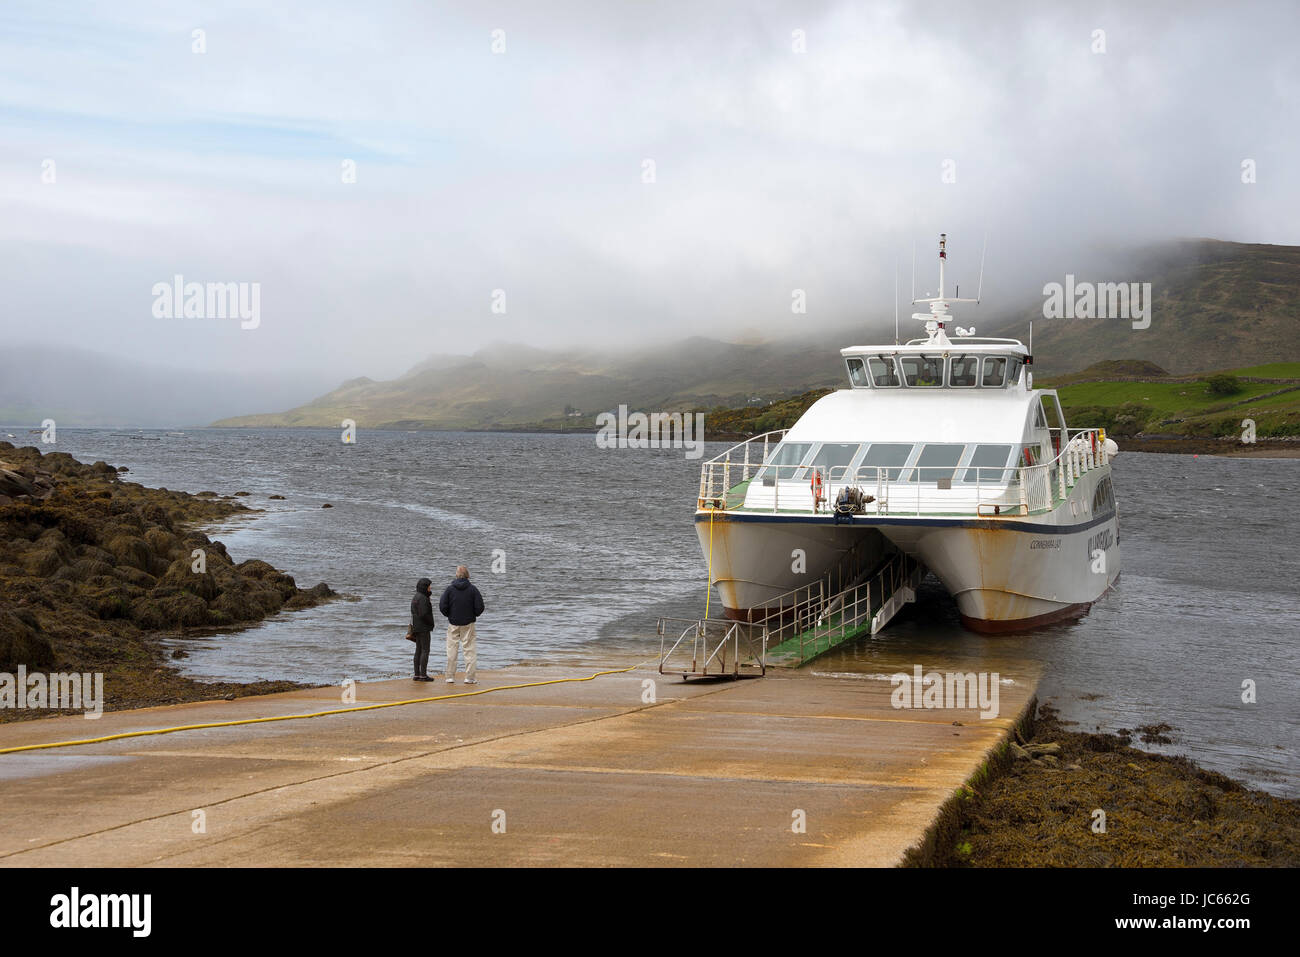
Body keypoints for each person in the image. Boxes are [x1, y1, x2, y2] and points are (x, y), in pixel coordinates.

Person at [439, 565, 484, 684]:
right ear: (467, 576)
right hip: (468, 623)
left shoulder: (449, 589)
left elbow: (442, 606)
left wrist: (449, 615)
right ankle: (469, 677)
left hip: (453, 623)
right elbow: (480, 607)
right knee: (469, 650)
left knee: (451, 650)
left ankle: (449, 676)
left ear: (456, 575)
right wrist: (473, 614)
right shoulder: (473, 589)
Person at [409, 577, 436, 681]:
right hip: (424, 628)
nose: (430, 588)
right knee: (425, 650)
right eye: (429, 587)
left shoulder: (415, 596)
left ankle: (417, 674)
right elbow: (424, 614)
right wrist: (431, 623)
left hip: (416, 627)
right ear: (424, 587)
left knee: (418, 650)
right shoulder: (423, 598)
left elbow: (414, 612)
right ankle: (423, 675)